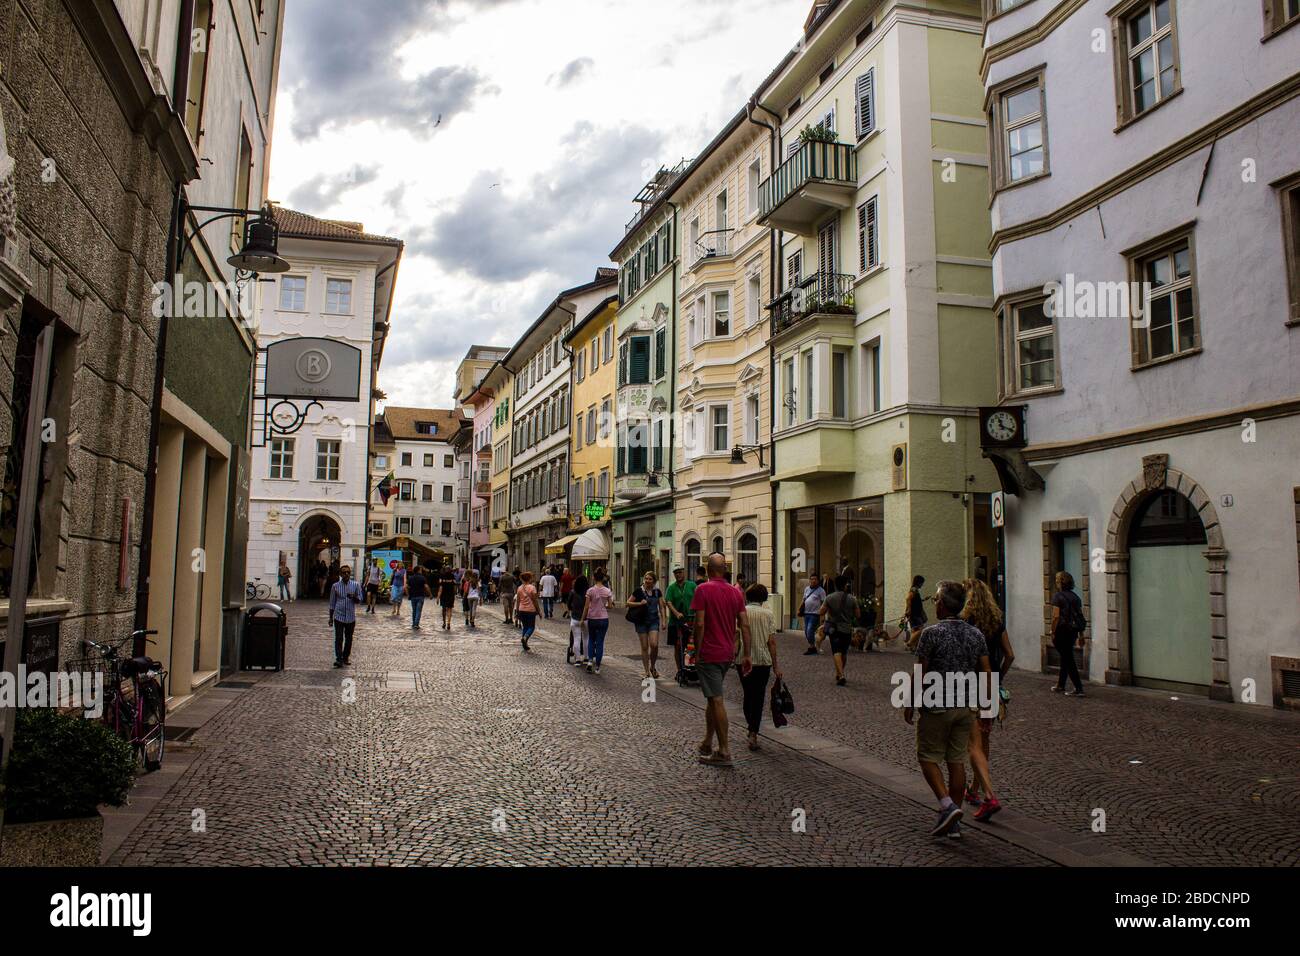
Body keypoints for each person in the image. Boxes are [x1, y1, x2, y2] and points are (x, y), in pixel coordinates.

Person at [904, 580, 990, 839]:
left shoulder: (931, 634)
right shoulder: (976, 634)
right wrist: (986, 706)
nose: (935, 605)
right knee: (956, 761)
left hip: (937, 704)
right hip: (965, 707)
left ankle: (947, 805)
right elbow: (986, 671)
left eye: (936, 600)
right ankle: (953, 823)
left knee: (927, 757)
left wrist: (909, 702)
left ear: (943, 605)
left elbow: (920, 672)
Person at [691, 553, 752, 768]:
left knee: (716, 699)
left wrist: (697, 652)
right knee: (711, 697)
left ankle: (724, 750)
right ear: (724, 570)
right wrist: (746, 654)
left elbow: (699, 624)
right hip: (728, 653)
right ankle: (708, 741)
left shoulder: (702, 590)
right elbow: (744, 624)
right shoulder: (735, 593)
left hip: (709, 652)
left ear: (708, 570)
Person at [961, 577, 1014, 821]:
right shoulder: (996, 621)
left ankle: (987, 795)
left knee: (972, 742)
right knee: (985, 738)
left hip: (972, 684)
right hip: (991, 684)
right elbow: (1010, 655)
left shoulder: (967, 622)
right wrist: (999, 677)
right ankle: (974, 788)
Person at [739, 583, 780, 752]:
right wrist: (776, 666)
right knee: (759, 696)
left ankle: (751, 726)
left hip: (742, 659)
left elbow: (736, 636)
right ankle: (753, 730)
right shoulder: (768, 614)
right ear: (763, 598)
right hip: (762, 661)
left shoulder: (742, 612)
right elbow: (771, 642)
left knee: (748, 694)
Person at [1050, 570, 1086, 696]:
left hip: (1061, 631)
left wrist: (1052, 631)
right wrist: (1081, 635)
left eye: (1057, 580)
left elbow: (1055, 617)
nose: (1056, 582)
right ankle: (1060, 685)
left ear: (1061, 582)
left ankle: (1078, 688)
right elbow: (1079, 617)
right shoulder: (1076, 597)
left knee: (1068, 659)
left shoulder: (1057, 597)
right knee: (1066, 657)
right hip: (1072, 632)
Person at [820, 580, 860, 686]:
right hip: (847, 628)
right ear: (845, 586)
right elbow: (858, 615)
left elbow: (821, 612)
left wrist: (829, 610)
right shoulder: (852, 598)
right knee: (844, 652)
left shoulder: (829, 597)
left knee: (836, 651)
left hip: (834, 628)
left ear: (835, 586)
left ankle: (841, 675)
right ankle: (840, 673)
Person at [627, 570, 664, 680]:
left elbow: (661, 607)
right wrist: (640, 603)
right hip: (641, 621)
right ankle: (647, 671)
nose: (647, 581)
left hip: (653, 621)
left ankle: (653, 666)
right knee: (644, 647)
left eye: (650, 579)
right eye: (646, 578)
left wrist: (664, 621)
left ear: (654, 581)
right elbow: (628, 602)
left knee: (654, 644)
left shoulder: (658, 592)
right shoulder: (639, 591)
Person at [664, 566, 696, 681]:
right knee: (678, 647)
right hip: (675, 622)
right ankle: (679, 669)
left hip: (691, 620)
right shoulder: (671, 588)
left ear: (684, 573)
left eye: (680, 572)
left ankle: (691, 668)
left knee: (691, 646)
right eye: (676, 573)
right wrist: (676, 613)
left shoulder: (692, 585)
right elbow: (668, 602)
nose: (678, 575)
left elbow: (698, 598)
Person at [327, 565, 363, 668]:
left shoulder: (355, 585)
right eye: (344, 572)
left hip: (351, 617)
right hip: (339, 616)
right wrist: (330, 617)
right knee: (338, 638)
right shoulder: (335, 586)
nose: (346, 574)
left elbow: (360, 599)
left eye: (348, 572)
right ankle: (339, 659)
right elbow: (332, 602)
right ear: (340, 574)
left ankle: (345, 657)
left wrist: (354, 597)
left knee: (349, 638)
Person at [580, 570, 614, 674]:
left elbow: (586, 606)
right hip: (603, 618)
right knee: (600, 642)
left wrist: (582, 619)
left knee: (591, 639)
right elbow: (610, 606)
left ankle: (590, 661)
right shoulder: (607, 591)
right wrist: (604, 606)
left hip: (592, 618)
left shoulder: (590, 591)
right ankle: (598, 667)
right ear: (603, 578)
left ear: (594, 578)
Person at [800, 573, 827, 656]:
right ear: (809, 580)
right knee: (806, 632)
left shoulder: (821, 590)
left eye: (815, 579)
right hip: (806, 613)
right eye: (812, 579)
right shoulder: (807, 589)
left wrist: (823, 615)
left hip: (815, 614)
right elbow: (804, 599)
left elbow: (824, 603)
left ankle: (812, 647)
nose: (813, 581)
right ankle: (813, 646)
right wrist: (799, 608)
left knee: (809, 630)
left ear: (818, 581)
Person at [566, 574, 589, 665]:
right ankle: (586, 658)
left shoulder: (573, 592)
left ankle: (578, 659)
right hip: (586, 618)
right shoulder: (588, 592)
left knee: (576, 638)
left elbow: (568, 604)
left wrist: (572, 609)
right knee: (586, 638)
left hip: (575, 618)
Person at [903, 575, 929, 651]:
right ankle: (909, 644)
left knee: (914, 630)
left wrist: (923, 599)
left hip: (915, 613)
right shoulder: (914, 589)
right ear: (919, 582)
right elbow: (908, 599)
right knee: (921, 629)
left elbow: (915, 601)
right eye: (922, 583)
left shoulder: (915, 590)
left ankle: (913, 647)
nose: (922, 585)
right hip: (914, 614)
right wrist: (909, 610)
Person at [516, 571, 539, 651]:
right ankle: (525, 637)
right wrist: (538, 610)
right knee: (531, 627)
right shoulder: (532, 587)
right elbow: (535, 601)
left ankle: (524, 643)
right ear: (529, 578)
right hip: (531, 610)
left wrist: (517, 611)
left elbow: (518, 601)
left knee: (525, 626)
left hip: (522, 609)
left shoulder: (519, 588)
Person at [407, 565, 429, 630]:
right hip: (420, 596)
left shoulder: (411, 578)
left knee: (414, 610)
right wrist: (430, 594)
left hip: (413, 596)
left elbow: (406, 587)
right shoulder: (422, 578)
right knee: (418, 611)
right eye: (421, 570)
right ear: (419, 570)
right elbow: (426, 587)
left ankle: (414, 623)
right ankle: (416, 624)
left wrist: (408, 594)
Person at [438, 567, 458, 631]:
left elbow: (440, 588)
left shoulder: (442, 577)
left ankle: (444, 622)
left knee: (444, 609)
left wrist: (438, 597)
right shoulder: (453, 577)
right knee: (449, 609)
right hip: (450, 595)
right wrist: (454, 593)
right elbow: (455, 587)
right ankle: (448, 623)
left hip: (443, 595)